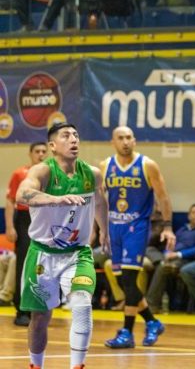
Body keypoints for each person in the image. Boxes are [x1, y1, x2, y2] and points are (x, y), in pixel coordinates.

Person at [15, 122, 108, 369]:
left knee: (82, 305)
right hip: (43, 255)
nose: (73, 139)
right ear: (53, 145)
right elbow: (22, 195)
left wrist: (105, 231)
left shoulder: (92, 173)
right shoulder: (43, 171)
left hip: (77, 254)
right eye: (66, 136)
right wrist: (55, 199)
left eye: (76, 135)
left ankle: (77, 366)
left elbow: (100, 201)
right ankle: (36, 365)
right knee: (40, 318)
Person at [101, 127, 174, 349]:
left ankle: (127, 332)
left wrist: (168, 227)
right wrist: (99, 228)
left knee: (131, 280)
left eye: (129, 138)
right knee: (125, 283)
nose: (125, 142)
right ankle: (152, 322)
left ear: (135, 140)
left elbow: (163, 197)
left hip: (136, 227)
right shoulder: (105, 166)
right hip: (114, 228)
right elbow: (100, 200)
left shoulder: (147, 165)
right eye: (120, 138)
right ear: (113, 142)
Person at [5, 142, 48, 327]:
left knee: (43, 265)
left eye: (43, 152)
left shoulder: (51, 175)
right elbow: (10, 201)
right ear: (30, 154)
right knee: (24, 263)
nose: (40, 154)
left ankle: (38, 308)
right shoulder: (20, 174)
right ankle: (21, 310)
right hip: (24, 219)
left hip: (45, 219)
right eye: (37, 151)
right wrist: (9, 226)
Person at [146, 203, 195, 314]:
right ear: (189, 216)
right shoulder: (182, 229)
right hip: (171, 256)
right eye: (194, 212)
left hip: (186, 259)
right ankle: (160, 260)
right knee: (150, 249)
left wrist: (179, 254)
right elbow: (170, 244)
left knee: (163, 267)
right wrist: (167, 253)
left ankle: (152, 305)